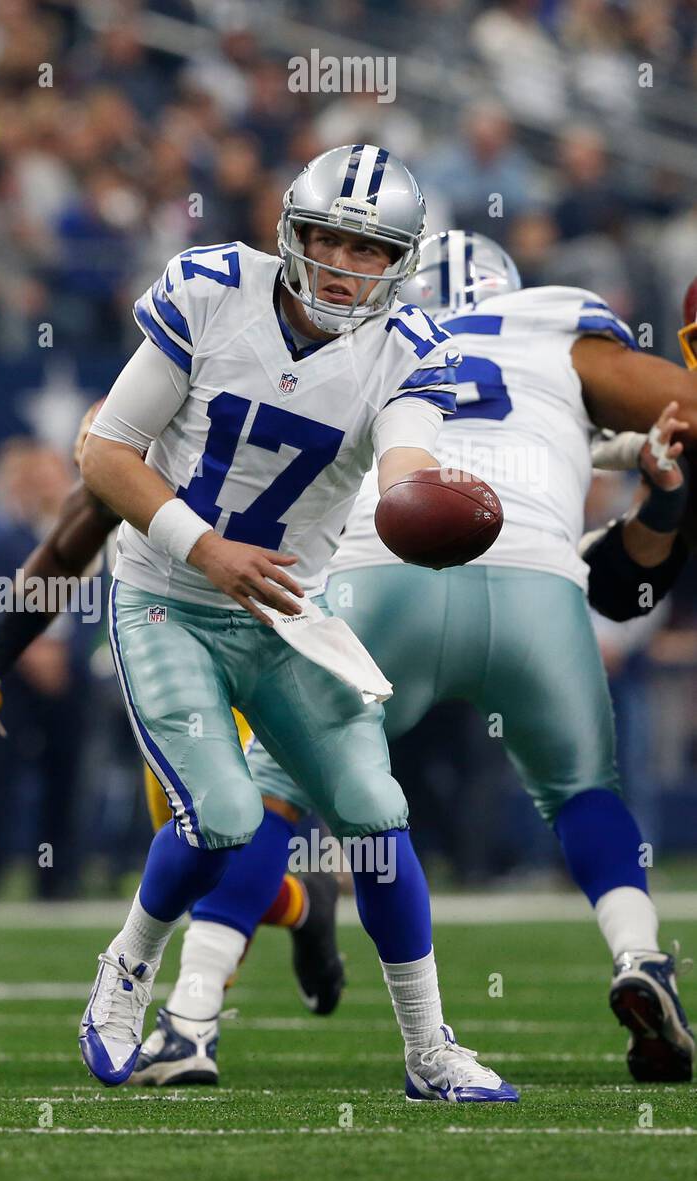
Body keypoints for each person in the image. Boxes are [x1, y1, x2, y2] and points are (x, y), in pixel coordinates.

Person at [143, 230, 696, 1086]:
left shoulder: (370, 338)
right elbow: (679, 410)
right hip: (534, 579)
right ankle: (639, 956)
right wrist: (646, 461)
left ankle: (191, 1017)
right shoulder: (548, 323)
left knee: (276, 799)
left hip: (380, 572)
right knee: (584, 790)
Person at [75, 144, 518, 1103]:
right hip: (168, 593)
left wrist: (430, 500)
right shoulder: (209, 291)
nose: (339, 263)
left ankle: (430, 1049)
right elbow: (105, 452)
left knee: (374, 811)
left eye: (367, 249)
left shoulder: (409, 352)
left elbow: (404, 469)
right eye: (324, 237)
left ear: (398, 262)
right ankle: (127, 968)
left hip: (283, 610)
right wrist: (206, 550)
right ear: (290, 230)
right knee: (229, 816)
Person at [0, 405, 345, 1021]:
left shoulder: (243, 424)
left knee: (225, 825)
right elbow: (62, 557)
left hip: (274, 648)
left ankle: (191, 1028)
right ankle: (303, 903)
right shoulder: (124, 439)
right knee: (197, 856)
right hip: (176, 663)